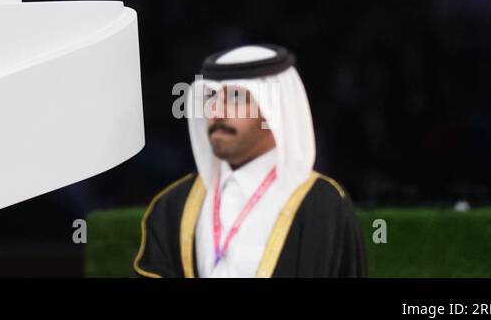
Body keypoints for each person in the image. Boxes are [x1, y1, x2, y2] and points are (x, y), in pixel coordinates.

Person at [134, 44, 367, 277]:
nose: (217, 111)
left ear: (272, 111)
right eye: (212, 97)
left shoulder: (321, 205)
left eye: (236, 98)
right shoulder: (173, 206)